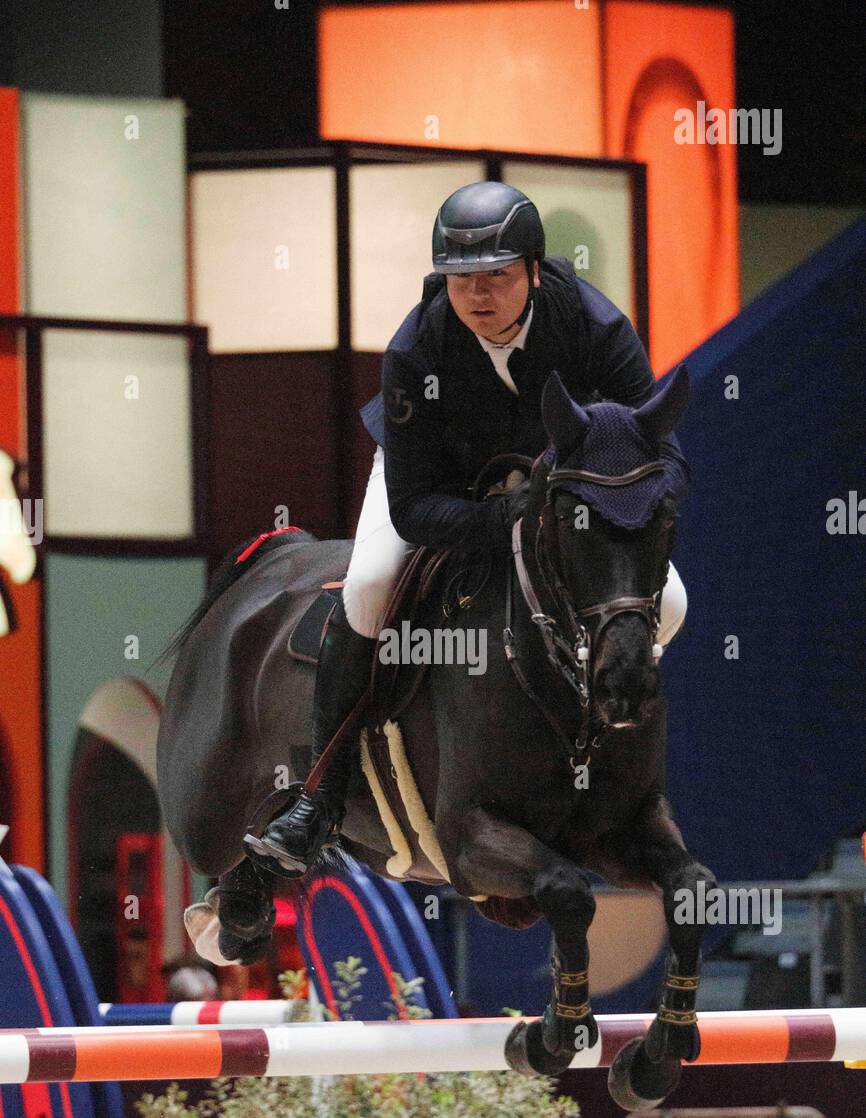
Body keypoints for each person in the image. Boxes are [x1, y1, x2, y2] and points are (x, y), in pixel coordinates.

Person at [245, 181, 689, 877]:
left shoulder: (596, 327)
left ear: (535, 272)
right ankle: (320, 800)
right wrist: (505, 520)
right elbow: (415, 508)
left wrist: (630, 511)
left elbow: (662, 454)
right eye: (461, 282)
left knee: (672, 602)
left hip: (563, 490)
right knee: (365, 587)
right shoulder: (417, 351)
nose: (479, 297)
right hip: (447, 485)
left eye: (498, 278)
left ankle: (610, 737)